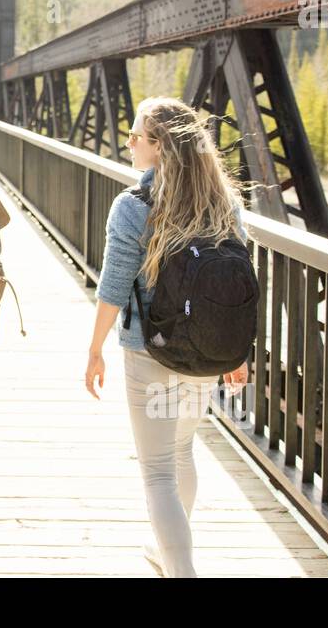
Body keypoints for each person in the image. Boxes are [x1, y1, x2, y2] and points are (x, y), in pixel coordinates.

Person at [84, 96, 249, 578]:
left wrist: (95, 350)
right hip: (206, 353)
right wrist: (237, 352)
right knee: (181, 453)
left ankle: (182, 571)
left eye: (136, 136)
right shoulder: (225, 203)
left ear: (159, 147)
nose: (129, 143)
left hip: (149, 354)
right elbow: (239, 284)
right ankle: (168, 550)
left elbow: (114, 286)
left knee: (157, 472)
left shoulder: (134, 206)